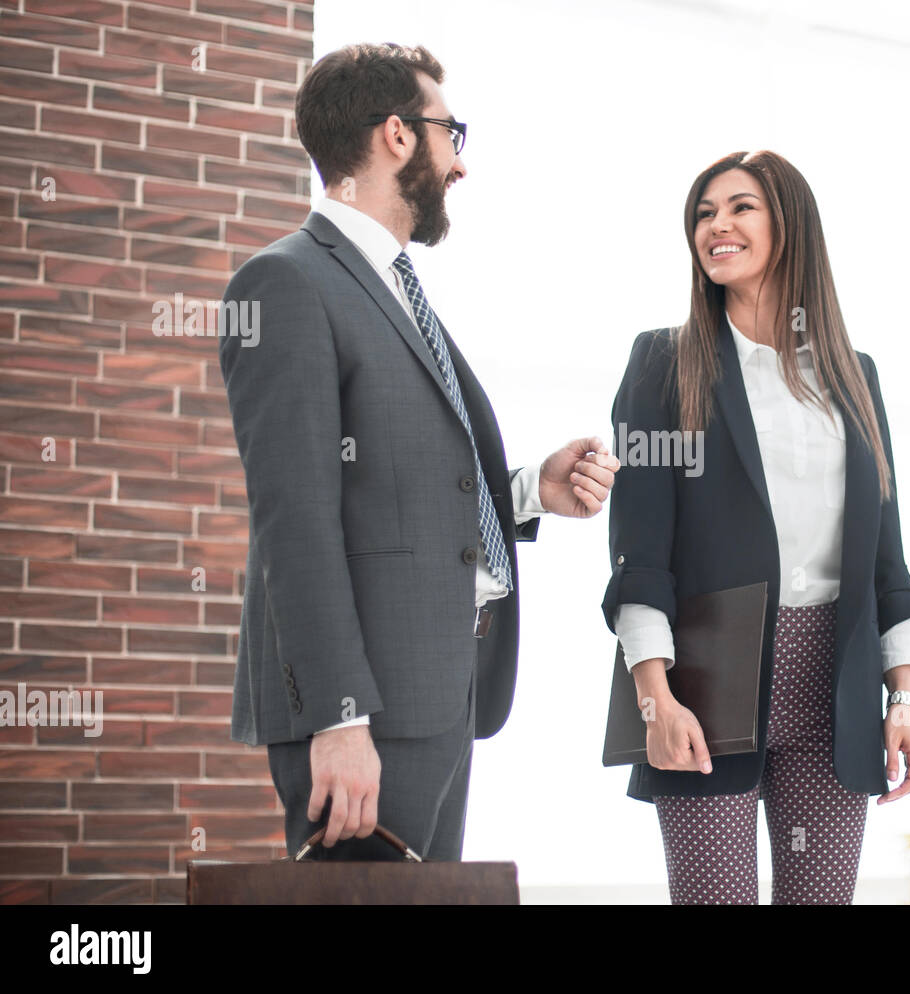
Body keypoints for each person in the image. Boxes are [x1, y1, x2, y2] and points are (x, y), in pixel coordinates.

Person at [219, 43, 618, 861]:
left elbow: (399, 490)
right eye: (451, 134)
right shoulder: (286, 284)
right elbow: (295, 522)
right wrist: (337, 719)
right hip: (364, 715)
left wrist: (528, 492)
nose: (460, 166)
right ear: (397, 136)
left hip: (438, 700)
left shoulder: (395, 287)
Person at [602, 150, 910, 903]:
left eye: (739, 207)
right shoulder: (664, 363)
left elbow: (888, 561)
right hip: (706, 683)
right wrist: (656, 696)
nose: (716, 226)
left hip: (835, 683)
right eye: (703, 213)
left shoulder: (855, 375)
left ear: (790, 224)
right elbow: (639, 556)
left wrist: (902, 698)